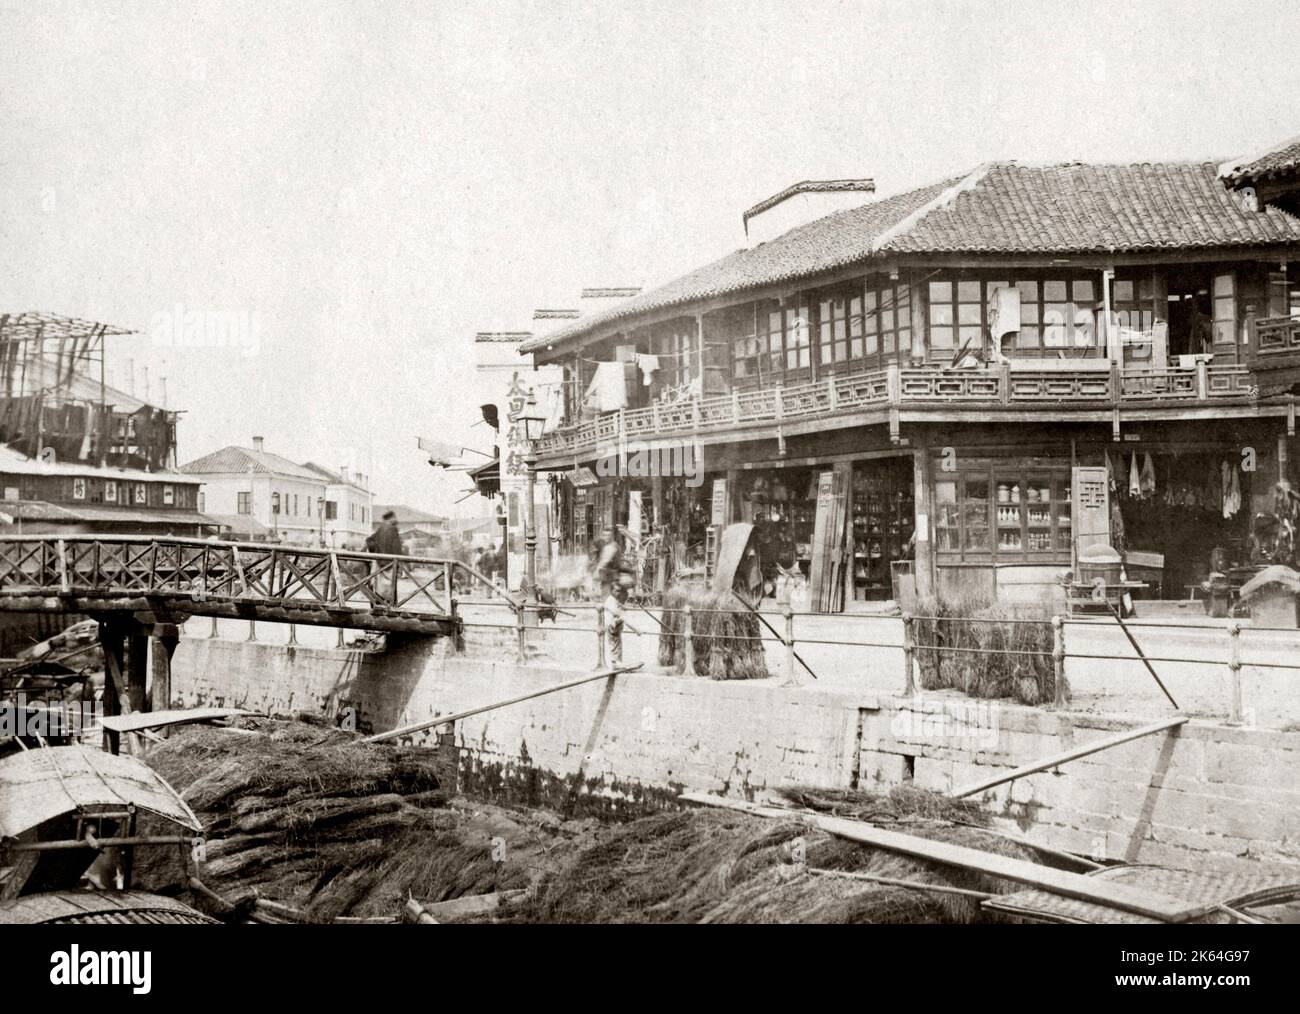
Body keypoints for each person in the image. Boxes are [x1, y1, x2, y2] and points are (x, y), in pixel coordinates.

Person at [602, 583, 639, 664]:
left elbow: (621, 606)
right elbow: (621, 617)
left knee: (616, 647)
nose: (618, 593)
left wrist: (625, 607)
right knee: (616, 647)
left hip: (614, 626)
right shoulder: (611, 601)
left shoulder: (612, 599)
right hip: (613, 627)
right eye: (616, 591)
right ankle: (616, 664)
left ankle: (616, 663)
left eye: (619, 591)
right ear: (611, 591)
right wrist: (636, 630)